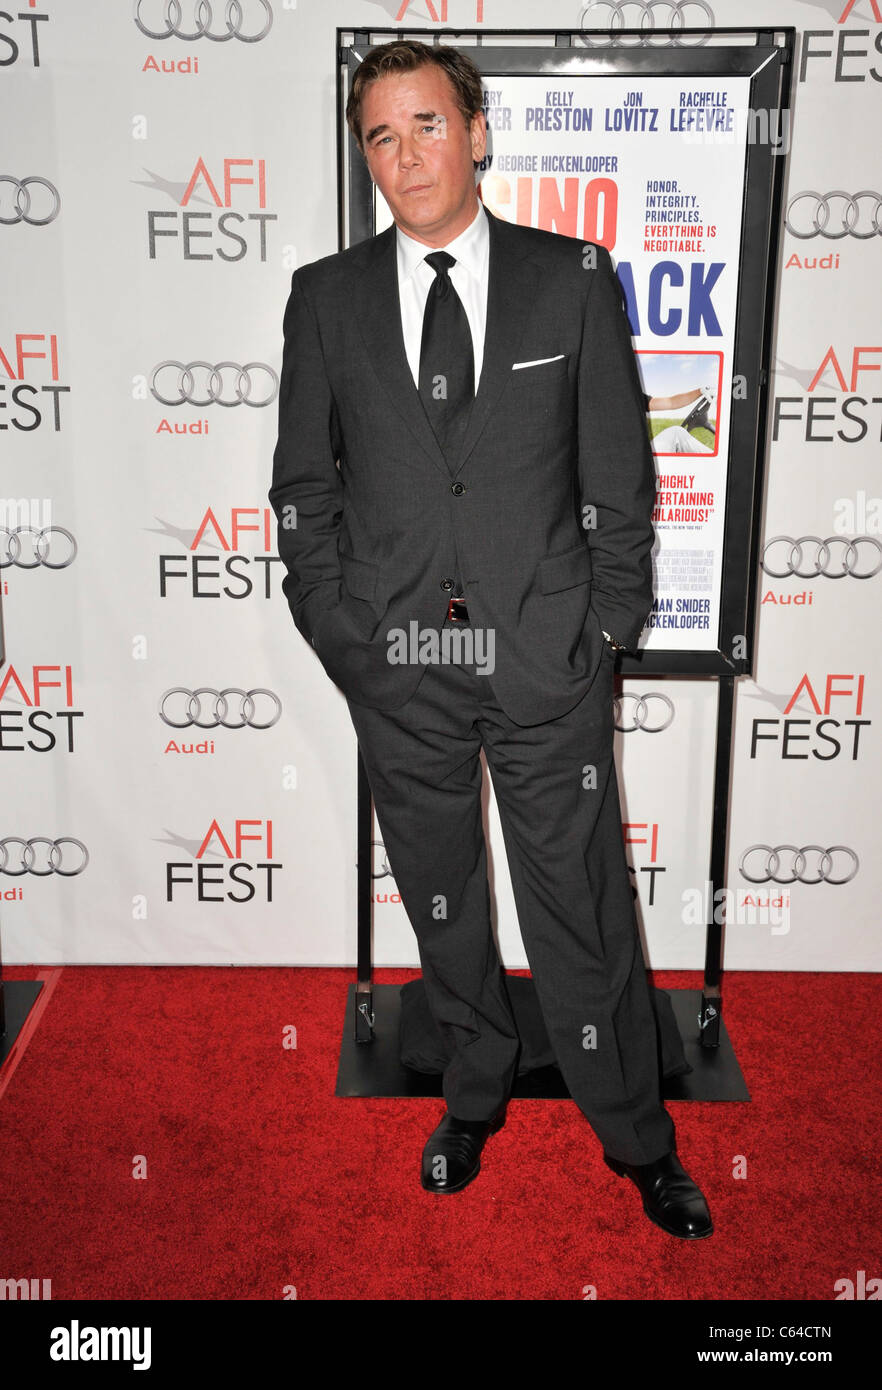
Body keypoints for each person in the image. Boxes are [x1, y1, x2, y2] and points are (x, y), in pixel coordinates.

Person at [269, 38, 712, 1239]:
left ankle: (636, 1132)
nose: (403, 156)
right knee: (444, 900)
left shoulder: (569, 280)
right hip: (400, 668)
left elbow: (621, 485)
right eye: (380, 136)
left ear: (477, 131)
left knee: (580, 901)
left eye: (425, 125)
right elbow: (303, 493)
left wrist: (602, 631)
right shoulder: (327, 295)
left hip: (543, 662)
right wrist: (348, 642)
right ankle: (471, 1088)